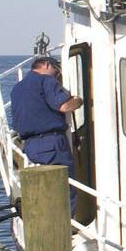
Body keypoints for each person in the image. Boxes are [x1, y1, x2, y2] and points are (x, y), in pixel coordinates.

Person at [10, 56, 83, 208]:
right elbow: (63, 106)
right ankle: (64, 227)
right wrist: (78, 100)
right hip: (51, 143)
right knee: (65, 188)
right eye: (56, 72)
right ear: (47, 65)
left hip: (30, 146)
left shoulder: (17, 88)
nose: (57, 76)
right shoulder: (46, 81)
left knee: (45, 188)